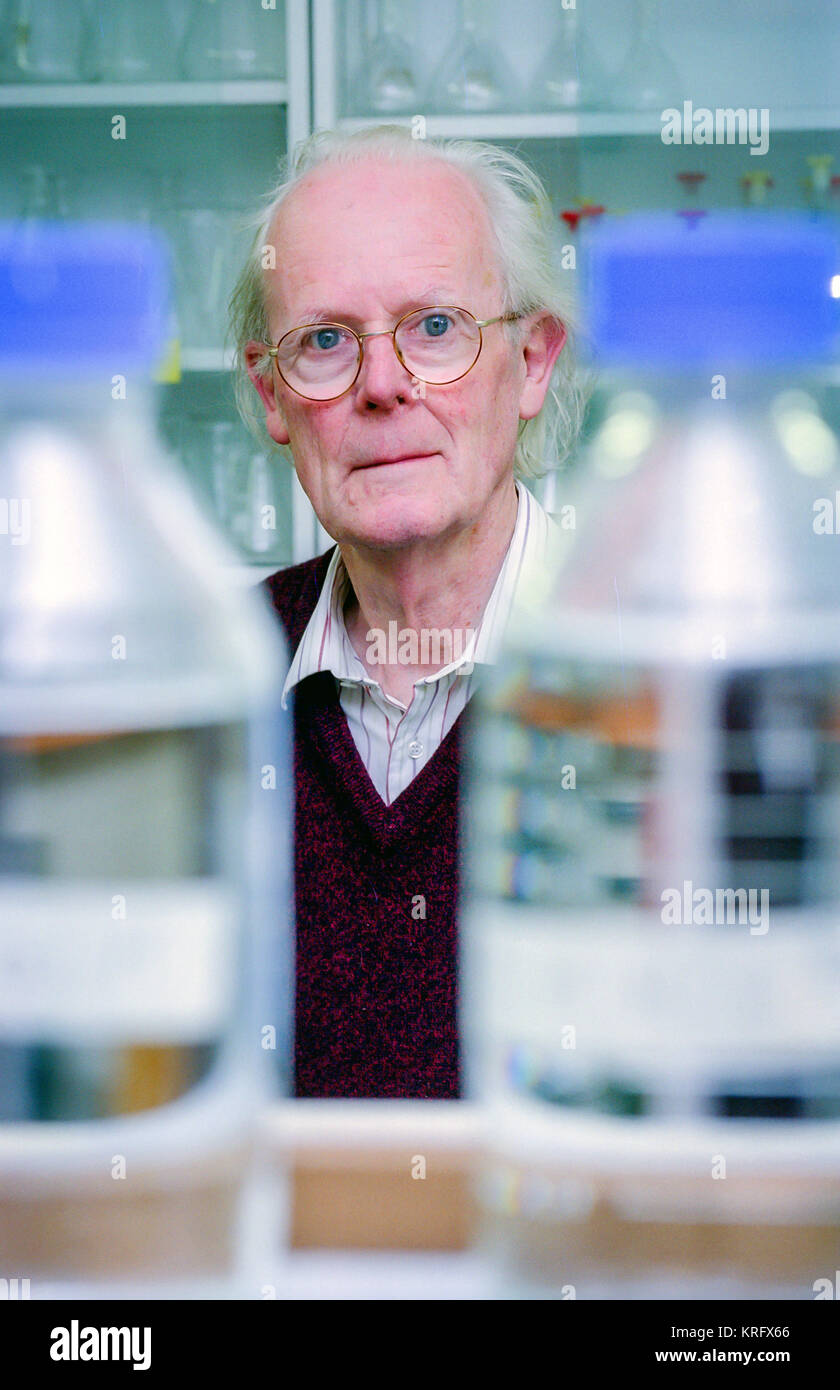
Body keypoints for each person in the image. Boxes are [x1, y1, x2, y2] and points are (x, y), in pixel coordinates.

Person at [230, 124, 583, 1098]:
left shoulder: (653, 670)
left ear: (535, 360)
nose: (382, 385)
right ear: (273, 393)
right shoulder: (207, 682)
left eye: (435, 327)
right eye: (326, 342)